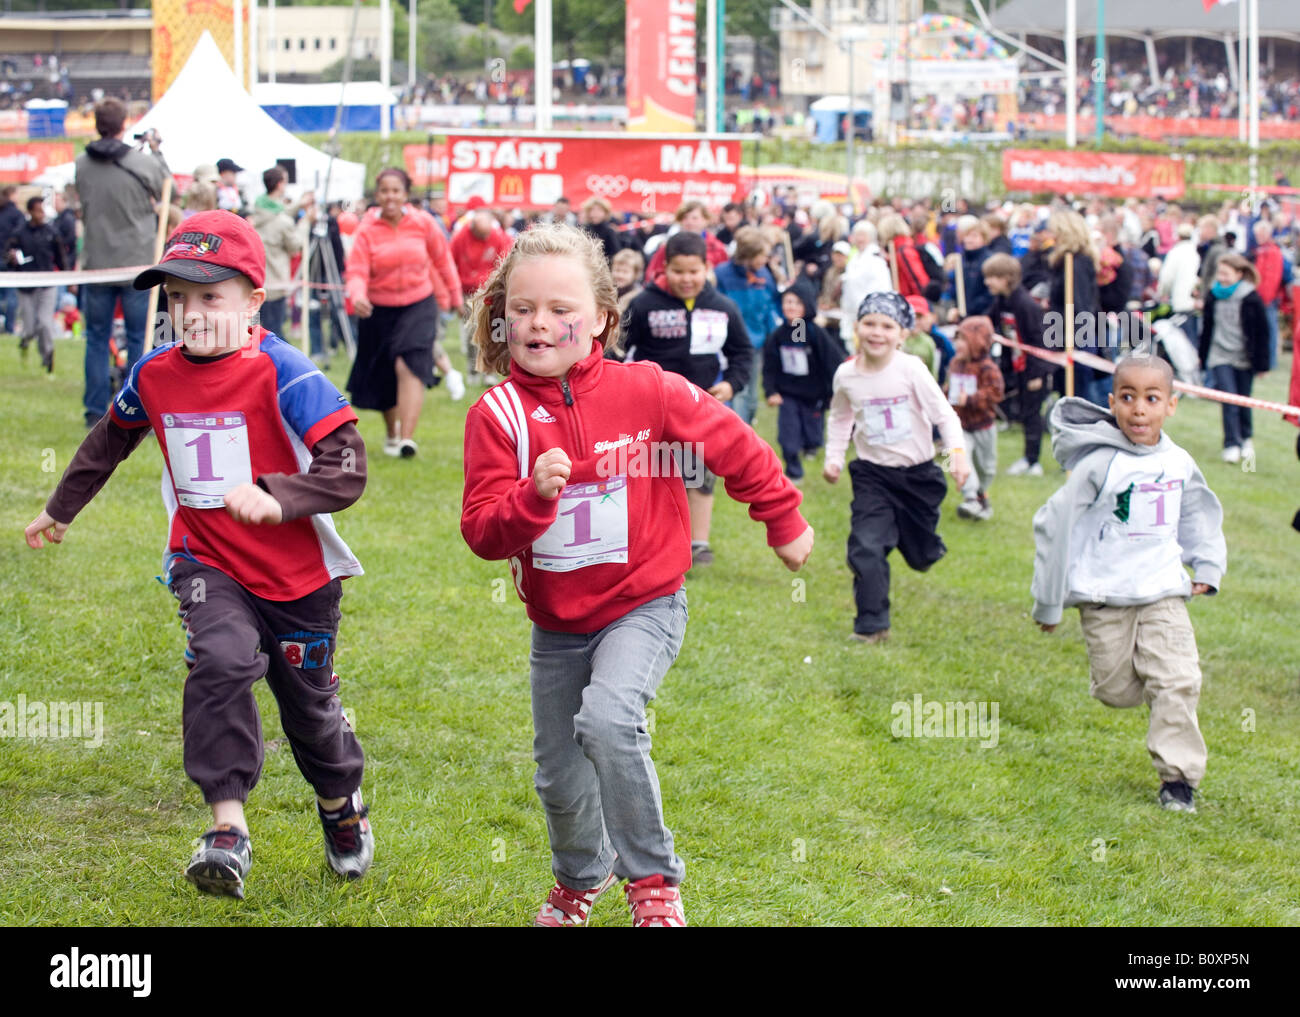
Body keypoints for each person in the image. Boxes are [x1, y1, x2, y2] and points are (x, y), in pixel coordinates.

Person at [460, 223, 812, 926]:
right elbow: (481, 529)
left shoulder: (648, 389)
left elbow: (733, 444)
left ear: (601, 318)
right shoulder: (497, 416)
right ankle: (579, 877)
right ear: (502, 317)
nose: (540, 323)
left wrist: (782, 516)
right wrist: (531, 499)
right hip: (558, 625)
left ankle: (653, 880)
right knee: (559, 778)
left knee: (611, 719)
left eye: (562, 309)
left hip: (644, 602)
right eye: (523, 309)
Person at [23, 210, 373, 897]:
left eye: (209, 296)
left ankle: (340, 807)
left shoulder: (286, 370)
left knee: (313, 715)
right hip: (207, 561)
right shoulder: (154, 373)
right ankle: (227, 825)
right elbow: (110, 437)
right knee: (219, 661)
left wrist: (278, 496)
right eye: (176, 296)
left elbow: (348, 465)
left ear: (253, 301)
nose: (190, 312)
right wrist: (60, 507)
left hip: (298, 577)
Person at [1031, 356, 1226, 815]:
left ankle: (1178, 780)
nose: (1140, 410)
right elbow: (1053, 524)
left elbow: (1198, 511)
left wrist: (1207, 566)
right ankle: (1143, 681)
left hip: (1163, 591)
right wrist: (1048, 601)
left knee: (1178, 679)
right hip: (1104, 596)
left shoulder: (1178, 462)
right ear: (1112, 402)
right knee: (1118, 691)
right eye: (1129, 398)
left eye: (1152, 399)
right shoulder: (1100, 464)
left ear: (1171, 406)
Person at [823, 292, 968, 643]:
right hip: (872, 475)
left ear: (902, 334)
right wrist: (833, 457)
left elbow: (943, 415)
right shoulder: (846, 375)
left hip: (918, 476)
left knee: (922, 555)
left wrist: (956, 455)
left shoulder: (911, 369)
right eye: (869, 323)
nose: (877, 332)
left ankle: (922, 548)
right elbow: (841, 417)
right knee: (865, 547)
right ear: (856, 327)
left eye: (887, 326)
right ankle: (872, 626)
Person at [622, 231, 753, 567]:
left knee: (700, 474)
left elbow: (741, 352)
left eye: (694, 271)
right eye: (678, 271)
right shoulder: (643, 305)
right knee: (654, 474)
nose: (687, 279)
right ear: (664, 268)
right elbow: (619, 350)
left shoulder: (723, 307)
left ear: (707, 267)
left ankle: (698, 543)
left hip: (701, 409)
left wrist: (732, 385)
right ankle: (648, 542)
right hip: (651, 407)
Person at [345, 168, 463, 458]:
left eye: (396, 190)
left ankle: (407, 439)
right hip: (377, 308)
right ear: (378, 194)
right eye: (385, 190)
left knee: (408, 363)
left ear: (405, 193)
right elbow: (357, 270)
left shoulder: (423, 223)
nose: (390, 196)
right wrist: (358, 295)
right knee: (384, 373)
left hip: (418, 303)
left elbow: (443, 260)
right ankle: (392, 433)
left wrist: (456, 296)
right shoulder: (367, 230)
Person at [74, 97, 170, 426]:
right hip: (136, 264)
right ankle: (135, 408)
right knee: (136, 338)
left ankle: (93, 409)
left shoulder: (81, 164)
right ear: (124, 124)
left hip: (98, 263)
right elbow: (165, 183)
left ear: (96, 123)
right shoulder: (141, 163)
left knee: (97, 339)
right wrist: (154, 150)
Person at [762, 280, 841, 481]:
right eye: (787, 302)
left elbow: (832, 362)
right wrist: (771, 391)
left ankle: (811, 445)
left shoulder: (813, 332)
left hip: (814, 394)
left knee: (812, 436)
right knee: (788, 436)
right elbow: (769, 366)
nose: (791, 307)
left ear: (806, 306)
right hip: (788, 394)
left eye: (797, 303)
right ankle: (793, 471)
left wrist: (834, 392)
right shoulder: (778, 335)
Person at [1198, 253, 1270, 464]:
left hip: (1244, 356)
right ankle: (1231, 443)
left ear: (1239, 274)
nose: (1221, 277)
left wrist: (1262, 364)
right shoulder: (1213, 295)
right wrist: (1202, 356)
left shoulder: (1251, 298)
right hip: (1220, 354)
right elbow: (1207, 328)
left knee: (1243, 398)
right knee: (1228, 399)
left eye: (1226, 273)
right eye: (1219, 272)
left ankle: (1246, 437)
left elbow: (1262, 333)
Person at [985, 253, 1052, 476]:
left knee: (1032, 414)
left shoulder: (1024, 304)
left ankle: (1033, 462)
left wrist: (1037, 374)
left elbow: (1039, 341)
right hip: (1016, 366)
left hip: (1033, 370)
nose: (987, 282)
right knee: (1024, 413)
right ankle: (1028, 458)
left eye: (992, 277)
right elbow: (989, 322)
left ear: (1006, 278)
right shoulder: (1002, 301)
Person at [713, 225, 781, 426]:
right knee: (738, 393)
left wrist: (776, 333)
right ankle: (736, 435)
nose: (766, 259)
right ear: (749, 254)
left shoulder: (764, 275)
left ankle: (745, 430)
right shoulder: (722, 274)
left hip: (757, 343)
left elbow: (771, 305)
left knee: (751, 398)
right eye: (763, 255)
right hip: (730, 344)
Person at [946, 316, 1004, 522]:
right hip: (961, 425)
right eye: (957, 339)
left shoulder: (988, 368)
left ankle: (981, 496)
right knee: (962, 457)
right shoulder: (955, 364)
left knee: (986, 468)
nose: (957, 344)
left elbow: (996, 393)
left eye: (963, 339)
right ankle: (970, 497)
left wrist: (971, 398)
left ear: (977, 341)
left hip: (984, 426)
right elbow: (949, 387)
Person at [6, 195, 66, 373]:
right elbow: (8, 255)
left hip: (47, 285)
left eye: (43, 210)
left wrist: (68, 276)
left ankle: (48, 358)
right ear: (30, 212)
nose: (41, 214)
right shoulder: (19, 233)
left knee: (45, 324)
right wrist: (11, 258)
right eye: (38, 210)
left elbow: (61, 256)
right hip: (26, 286)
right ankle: (25, 341)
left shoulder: (51, 232)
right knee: (30, 327)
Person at [250, 166, 308, 339]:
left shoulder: (257, 211)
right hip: (275, 285)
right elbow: (295, 246)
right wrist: (305, 223)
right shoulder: (281, 220)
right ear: (280, 184)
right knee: (274, 335)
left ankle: (251, 362)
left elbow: (279, 212)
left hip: (255, 283)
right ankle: (274, 366)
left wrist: (299, 204)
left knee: (253, 333)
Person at [0, 184, 24, 334]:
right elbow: (21, 236)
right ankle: (9, 327)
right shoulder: (16, 214)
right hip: (9, 260)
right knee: (11, 296)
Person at [579, 195, 621, 263]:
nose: (596, 213)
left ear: (605, 213)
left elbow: (616, 254)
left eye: (599, 210)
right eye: (592, 210)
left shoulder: (609, 231)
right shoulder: (583, 229)